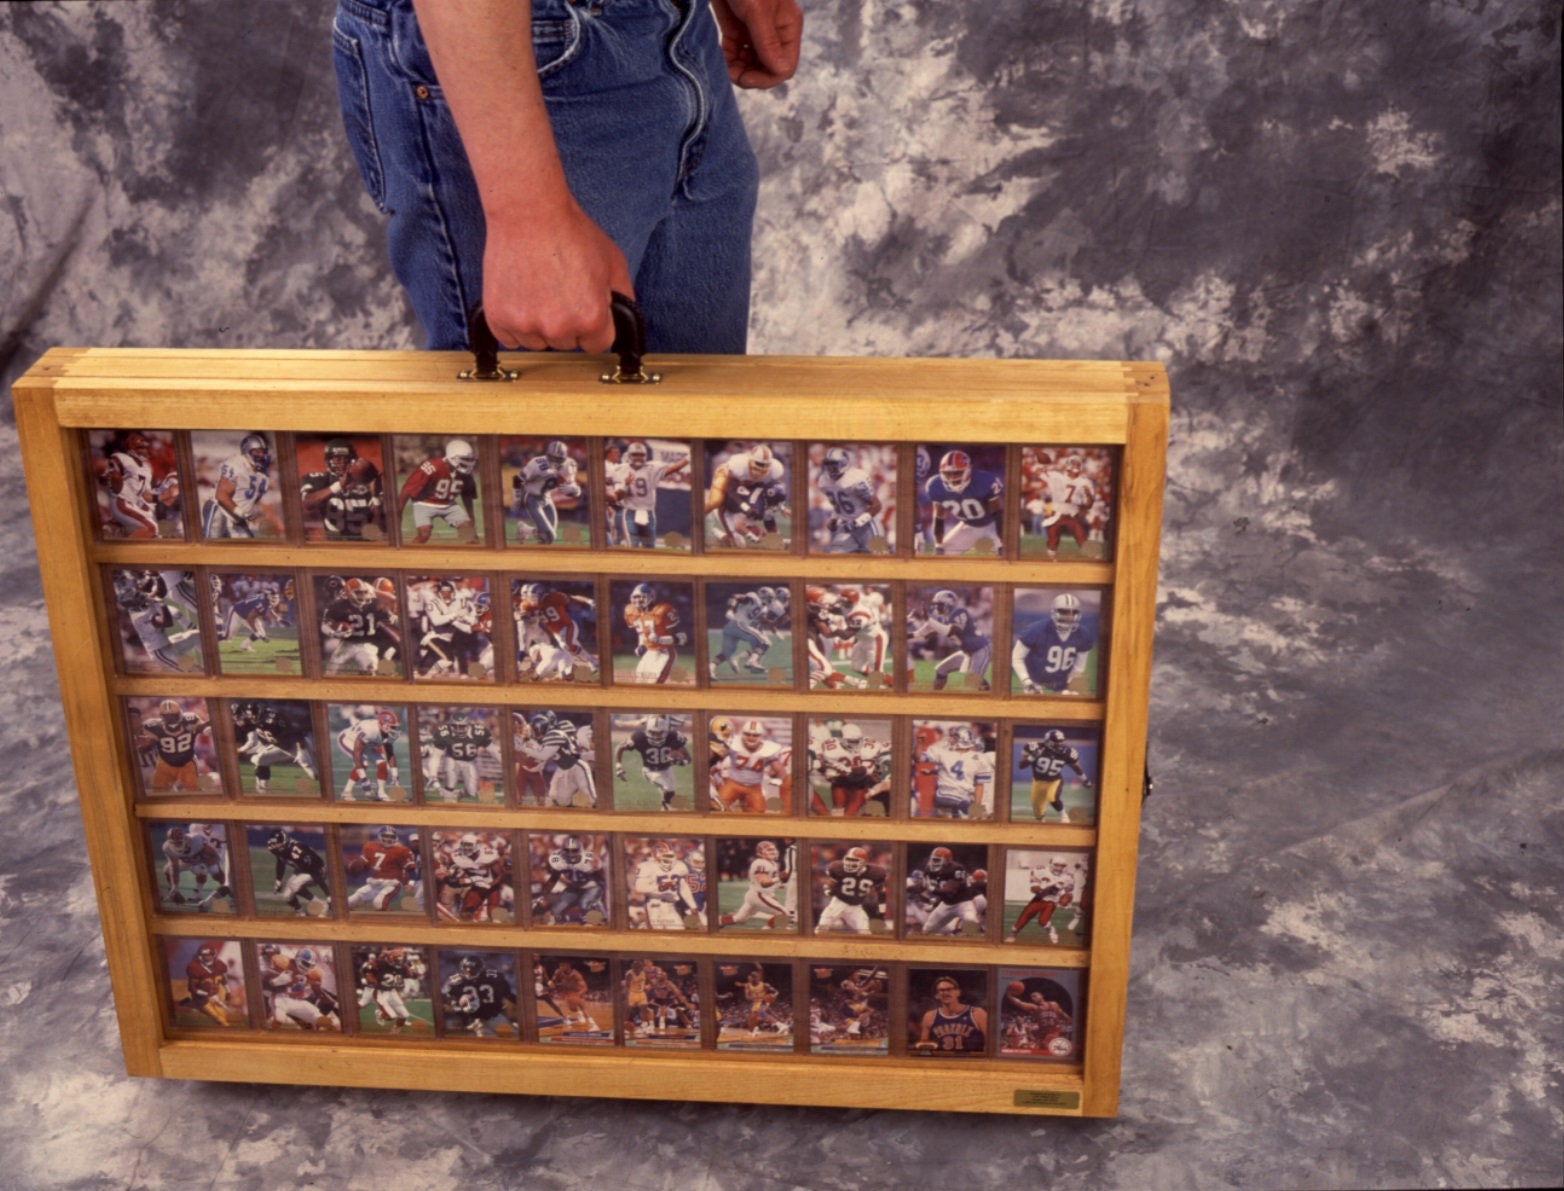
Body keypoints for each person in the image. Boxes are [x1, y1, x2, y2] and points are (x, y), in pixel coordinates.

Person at [332, 0, 802, 354]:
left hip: (677, 28)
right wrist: (526, 215)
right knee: (543, 461)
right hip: (518, 43)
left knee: (687, 442)